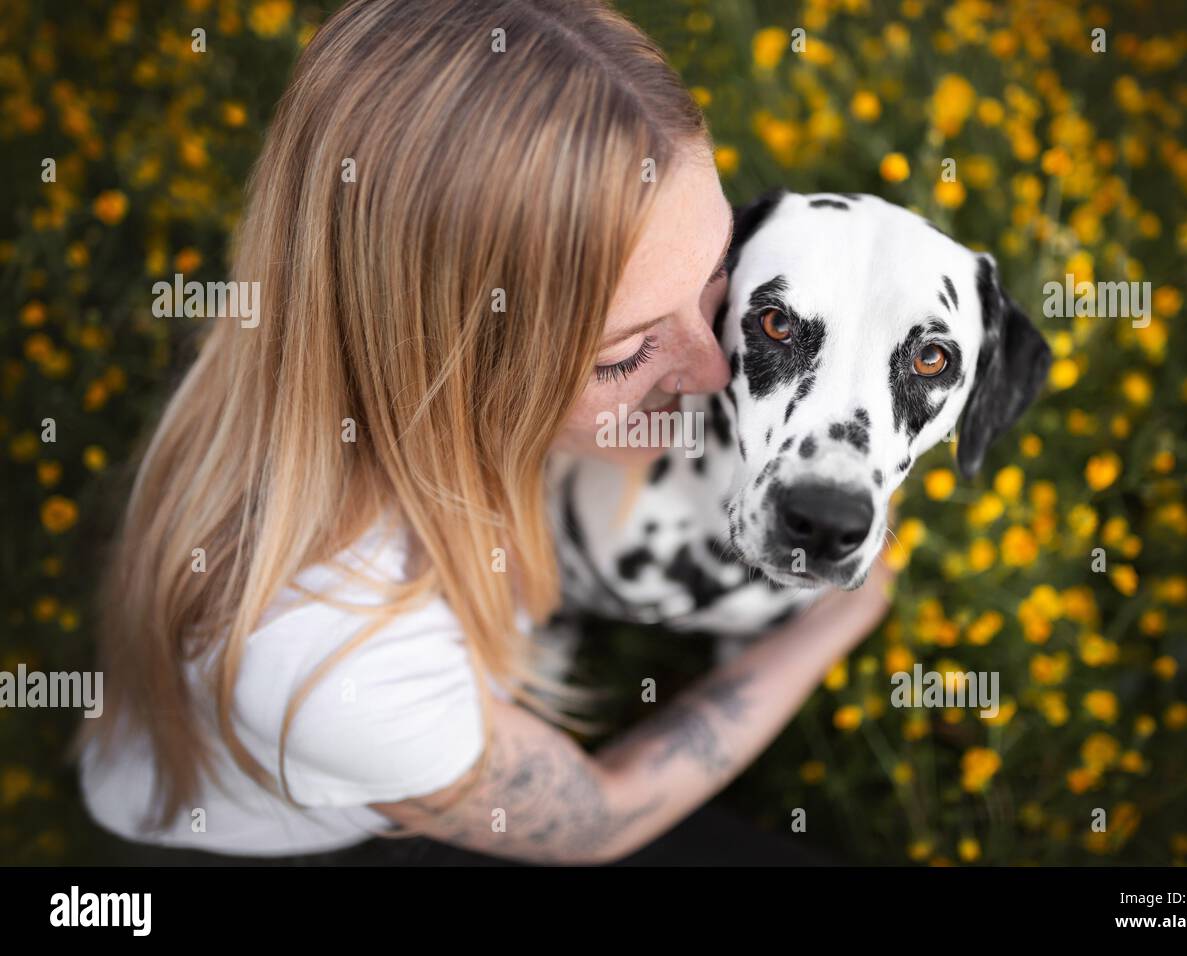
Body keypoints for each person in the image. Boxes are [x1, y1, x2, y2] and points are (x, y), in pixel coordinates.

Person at [74, 0, 894, 866]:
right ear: (451, 364)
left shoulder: (337, 347)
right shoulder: (328, 651)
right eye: (625, 352)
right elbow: (597, 819)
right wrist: (832, 624)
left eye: (715, 277)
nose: (715, 372)